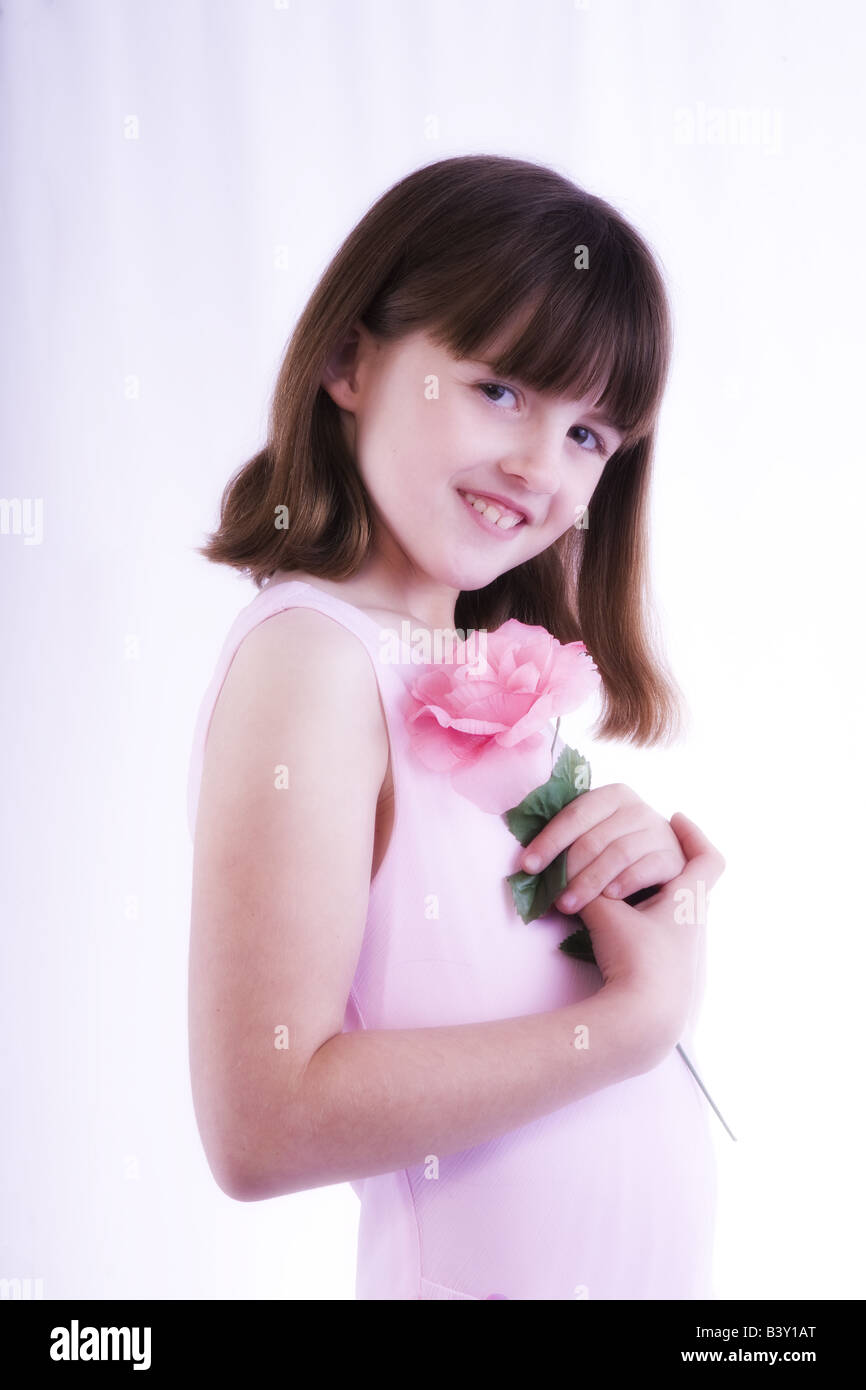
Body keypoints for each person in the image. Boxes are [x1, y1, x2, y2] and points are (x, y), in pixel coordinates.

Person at [186, 153, 727, 1300]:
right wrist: (622, 1028)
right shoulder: (312, 661)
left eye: (589, 434)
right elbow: (261, 1121)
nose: (540, 465)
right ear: (348, 359)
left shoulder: (461, 678)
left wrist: (618, 886)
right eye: (500, 389)